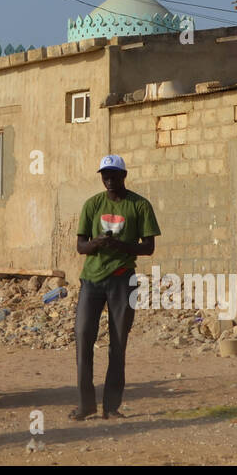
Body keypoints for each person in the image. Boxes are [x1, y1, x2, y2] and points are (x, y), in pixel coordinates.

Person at [70, 154, 160, 421]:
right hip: (92, 281)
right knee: (83, 336)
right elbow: (80, 246)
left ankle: (111, 406)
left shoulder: (140, 206)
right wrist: (97, 243)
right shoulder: (91, 205)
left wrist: (121, 246)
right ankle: (86, 405)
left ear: (124, 176)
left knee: (118, 343)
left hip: (123, 280)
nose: (109, 180)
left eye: (114, 176)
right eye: (104, 176)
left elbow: (149, 247)